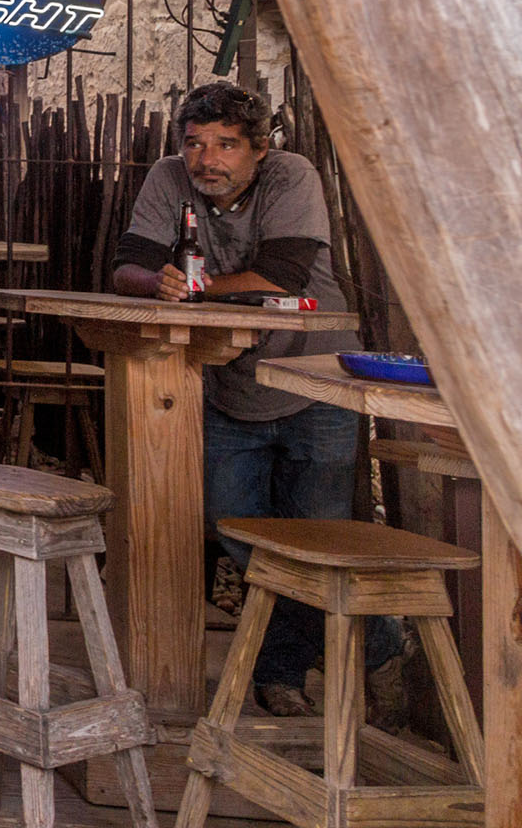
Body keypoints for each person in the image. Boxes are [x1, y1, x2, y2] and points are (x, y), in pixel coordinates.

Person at [111, 81, 400, 717]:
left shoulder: (292, 176)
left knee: (315, 537)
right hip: (230, 385)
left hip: (314, 380)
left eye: (225, 145)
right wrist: (155, 282)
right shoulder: (168, 178)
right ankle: (381, 638)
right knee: (235, 529)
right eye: (195, 144)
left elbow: (280, 276)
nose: (206, 159)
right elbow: (126, 266)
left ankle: (281, 674)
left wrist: (193, 289)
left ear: (259, 149)